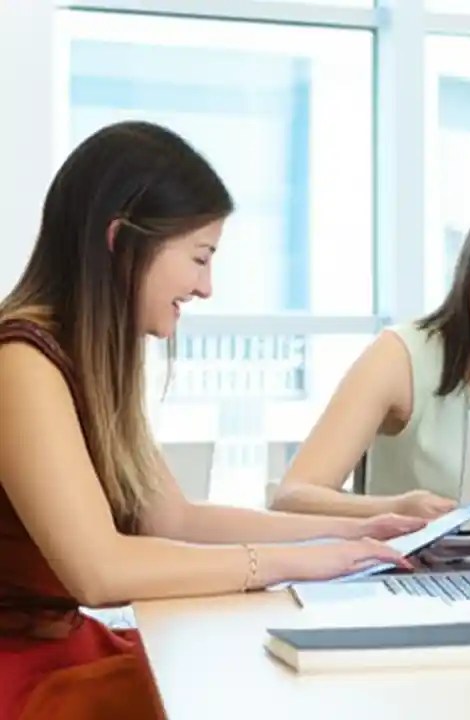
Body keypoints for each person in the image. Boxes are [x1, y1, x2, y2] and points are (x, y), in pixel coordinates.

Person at [0, 121, 422, 719]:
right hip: (20, 673)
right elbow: (99, 571)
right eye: (199, 258)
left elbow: (176, 518)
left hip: (63, 650)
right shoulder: (19, 363)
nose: (205, 286)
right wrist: (291, 564)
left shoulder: (88, 365)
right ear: (121, 242)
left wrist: (351, 535)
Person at [270, 188, 470, 520]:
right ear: (468, 275)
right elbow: (291, 496)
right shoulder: (400, 356)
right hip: (402, 566)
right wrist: (394, 509)